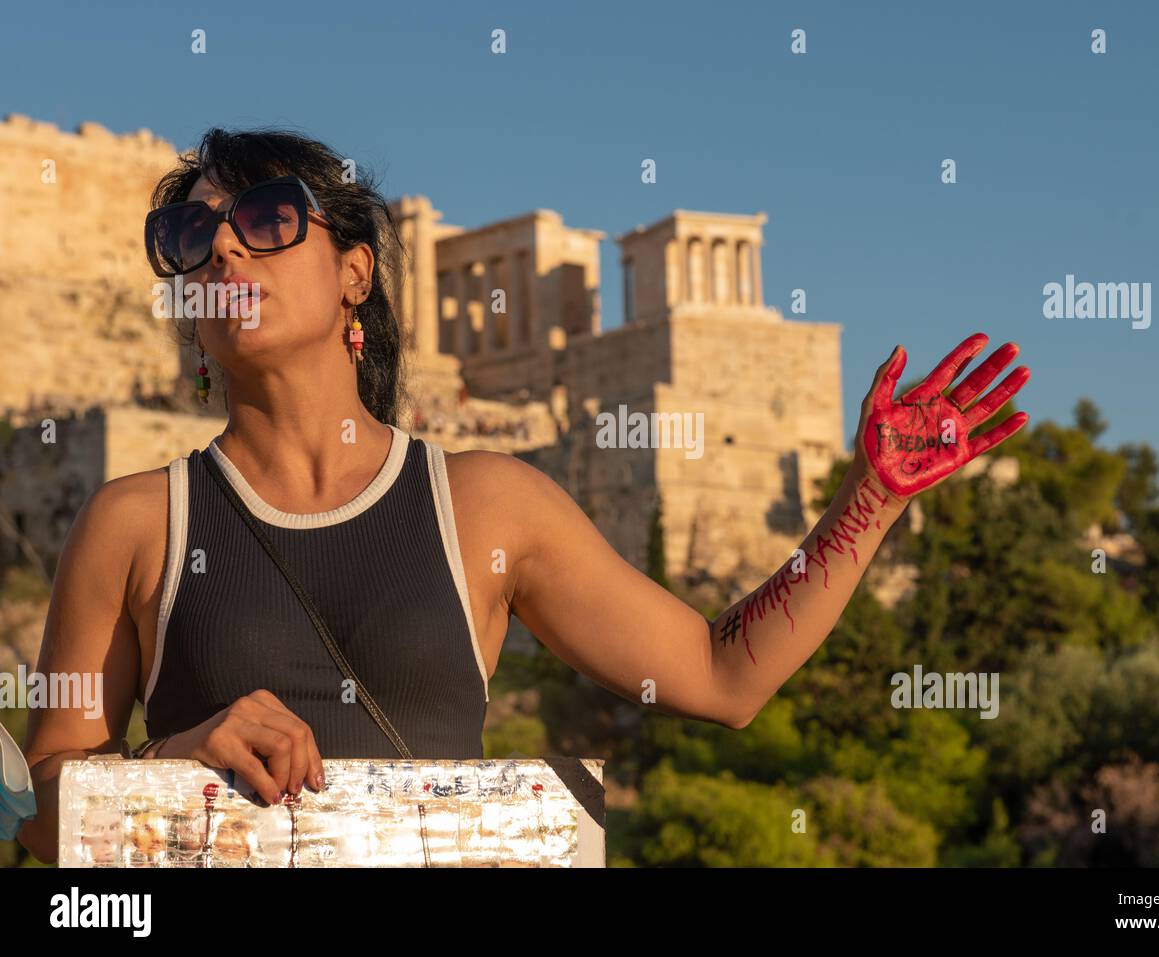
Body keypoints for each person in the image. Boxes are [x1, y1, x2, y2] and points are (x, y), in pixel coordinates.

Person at [15, 128, 1030, 864]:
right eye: (191, 238)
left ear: (355, 271)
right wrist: (174, 760)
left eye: (268, 220)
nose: (225, 250)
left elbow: (722, 680)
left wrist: (869, 503)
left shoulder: (489, 506)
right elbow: (45, 809)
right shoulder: (135, 523)